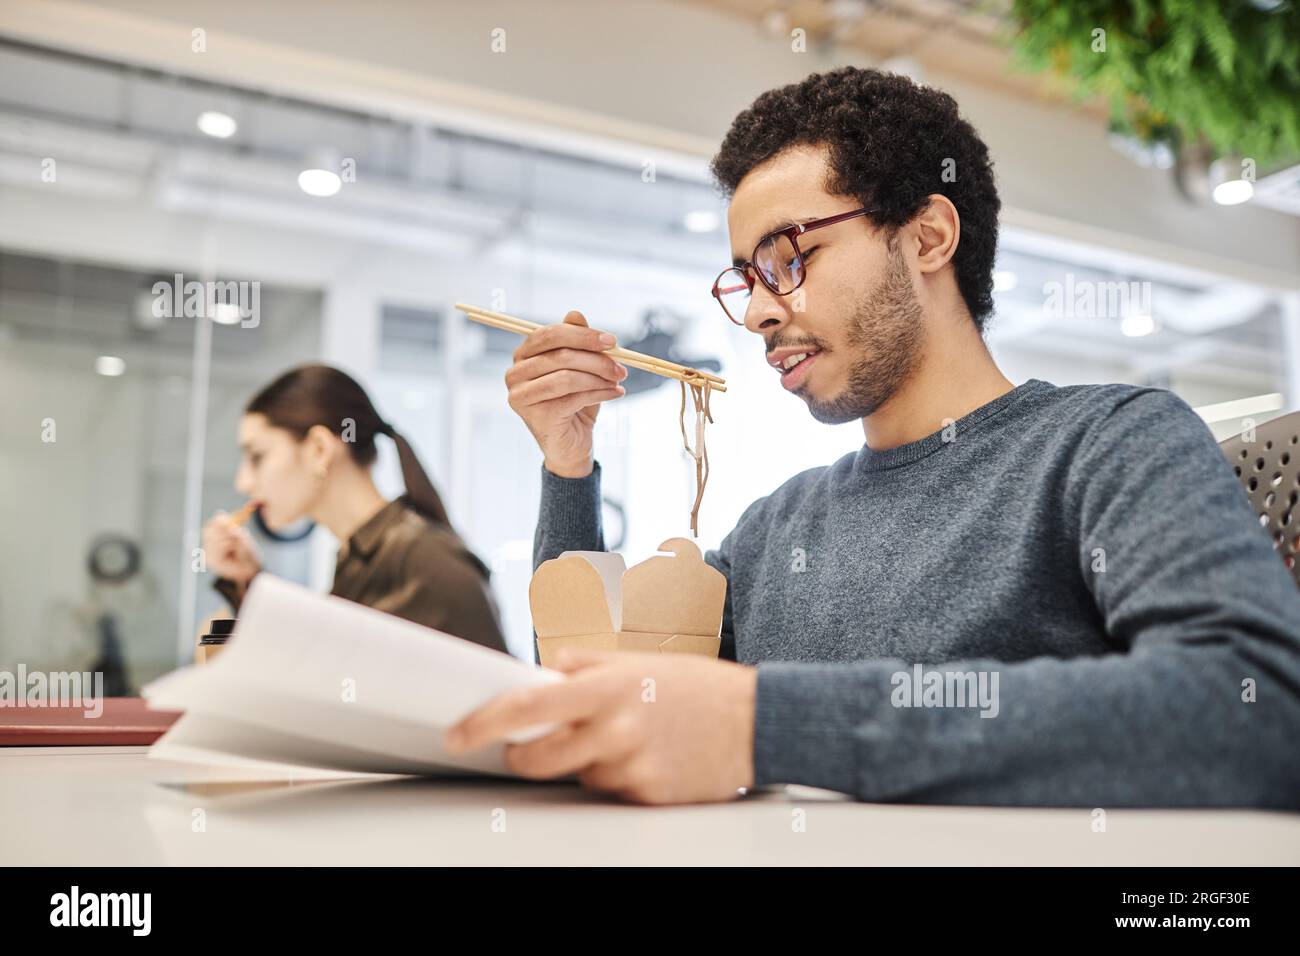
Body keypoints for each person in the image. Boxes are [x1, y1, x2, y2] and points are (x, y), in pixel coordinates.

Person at [444, 67, 1300, 807]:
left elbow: (1252, 706)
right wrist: (567, 458)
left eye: (789, 257)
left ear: (927, 235)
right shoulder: (776, 531)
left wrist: (762, 724)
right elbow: (600, 701)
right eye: (745, 278)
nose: (758, 311)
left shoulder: (1108, 445)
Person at [202, 364, 507, 653]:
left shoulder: (426, 560)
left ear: (319, 449)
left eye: (257, 456)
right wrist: (248, 580)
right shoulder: (359, 560)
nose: (243, 482)